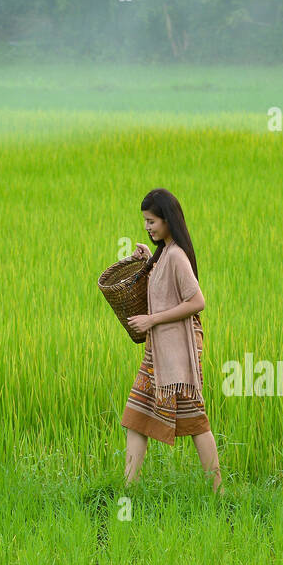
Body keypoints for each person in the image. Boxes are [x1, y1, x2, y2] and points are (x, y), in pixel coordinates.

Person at [121, 188, 223, 492]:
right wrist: (146, 260)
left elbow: (197, 302)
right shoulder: (165, 253)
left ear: (168, 219)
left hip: (178, 353)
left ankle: (217, 491)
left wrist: (151, 320)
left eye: (152, 221)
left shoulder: (177, 255)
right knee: (136, 416)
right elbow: (160, 287)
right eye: (145, 221)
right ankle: (130, 487)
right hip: (160, 352)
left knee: (196, 422)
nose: (148, 226)